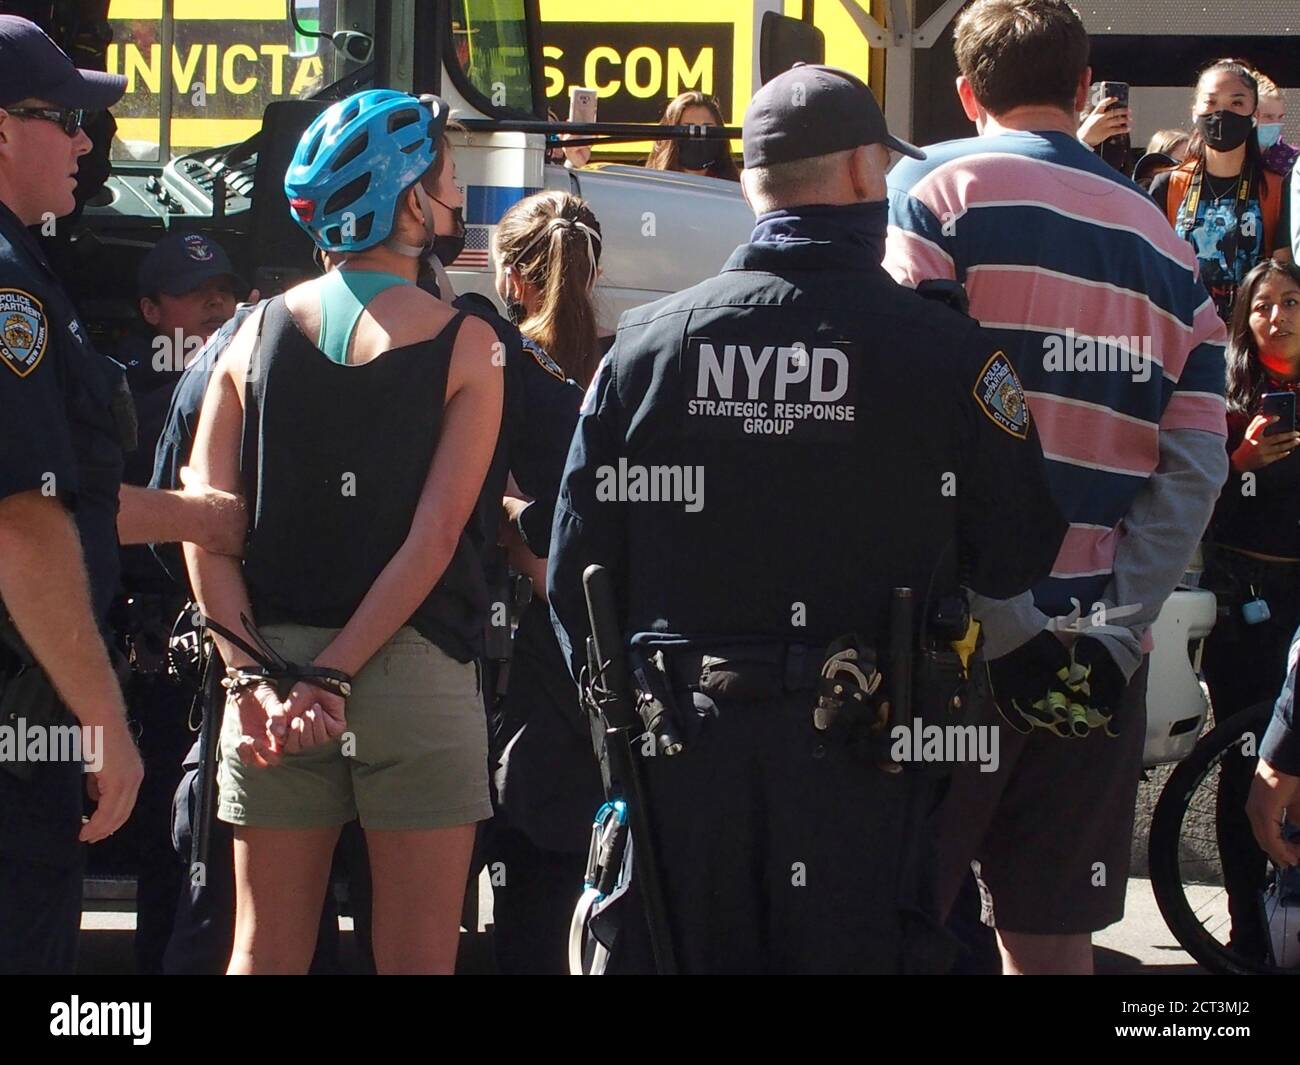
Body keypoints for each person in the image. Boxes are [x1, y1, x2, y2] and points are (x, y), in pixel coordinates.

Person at [547, 63, 1067, 975]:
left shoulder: (646, 347)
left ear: (754, 188)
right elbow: (1018, 547)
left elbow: (576, 570)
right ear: (866, 175)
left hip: (684, 757)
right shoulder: (947, 352)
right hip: (872, 760)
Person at [885, 0, 1229, 975]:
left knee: (900, 925)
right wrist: (1115, 630)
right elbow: (1193, 462)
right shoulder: (1166, 245)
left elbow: (912, 415)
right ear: (1082, 92)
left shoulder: (930, 195)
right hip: (1092, 666)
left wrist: (1002, 621)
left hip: (951, 656)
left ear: (963, 91)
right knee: (1052, 942)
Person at [184, 89, 503, 975]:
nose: (456, 200)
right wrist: (336, 676)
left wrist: (253, 679)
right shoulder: (468, 345)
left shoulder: (247, 335)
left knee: (262, 951)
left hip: (267, 679)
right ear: (408, 204)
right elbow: (435, 537)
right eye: (446, 182)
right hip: (412, 675)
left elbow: (206, 525)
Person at [0, 14, 242, 975]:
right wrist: (105, 721)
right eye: (65, 118)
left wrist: (207, 519)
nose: (86, 141)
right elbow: (25, 522)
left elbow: (72, 492)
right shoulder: (11, 289)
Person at [104, 230, 246, 974]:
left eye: (222, 286)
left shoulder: (259, 366)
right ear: (152, 310)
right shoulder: (127, 384)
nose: (215, 299)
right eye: (195, 293)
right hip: (161, 640)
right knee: (175, 837)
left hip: (240, 640)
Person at [483, 190, 603, 974]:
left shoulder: (502, 369)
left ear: (516, 279)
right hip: (604, 654)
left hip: (528, 657)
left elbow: (481, 495)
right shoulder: (620, 365)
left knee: (530, 885)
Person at [1198, 258, 1300, 959]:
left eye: (1292, 302)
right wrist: (1242, 462)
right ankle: (1245, 928)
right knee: (1244, 766)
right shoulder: (1223, 394)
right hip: (1242, 601)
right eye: (1264, 305)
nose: (1279, 316)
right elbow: (1189, 496)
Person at [1149, 59, 1291, 320]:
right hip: (1184, 338)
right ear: (1195, 112)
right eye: (1211, 102)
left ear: (1254, 115)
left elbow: (1284, 271)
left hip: (1250, 340)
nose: (1221, 113)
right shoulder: (1169, 185)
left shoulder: (1277, 187)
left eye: (1236, 103)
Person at [644, 91, 740, 181]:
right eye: (688, 129)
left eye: (706, 129)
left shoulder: (734, 189)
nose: (698, 136)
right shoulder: (653, 184)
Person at [1253, 73, 1297, 178]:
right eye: (1268, 116)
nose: (1276, 124)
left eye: (1280, 117)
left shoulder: (1291, 159)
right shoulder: (1226, 155)